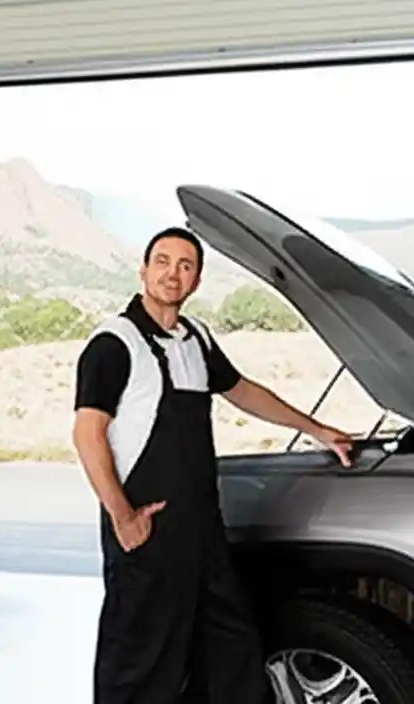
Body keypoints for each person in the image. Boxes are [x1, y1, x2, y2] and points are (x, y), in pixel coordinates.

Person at [72, 227, 354, 703]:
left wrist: (317, 429)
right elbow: (87, 434)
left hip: (203, 530)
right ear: (143, 270)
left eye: (185, 266)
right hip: (147, 531)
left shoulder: (196, 338)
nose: (172, 273)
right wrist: (122, 516)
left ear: (197, 280)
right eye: (162, 262)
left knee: (230, 648)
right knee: (140, 662)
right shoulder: (115, 344)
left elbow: (242, 391)